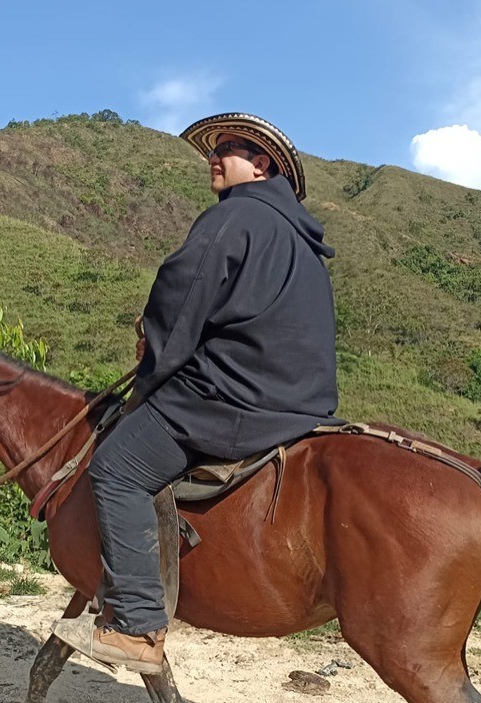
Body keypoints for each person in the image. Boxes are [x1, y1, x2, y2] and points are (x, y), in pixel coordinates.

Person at [51, 113, 341, 673]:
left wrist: (151, 360)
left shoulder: (235, 216)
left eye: (228, 149)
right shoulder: (302, 243)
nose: (214, 156)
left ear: (262, 166)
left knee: (116, 466)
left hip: (231, 398)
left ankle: (136, 625)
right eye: (216, 148)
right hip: (300, 405)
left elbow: (180, 297)